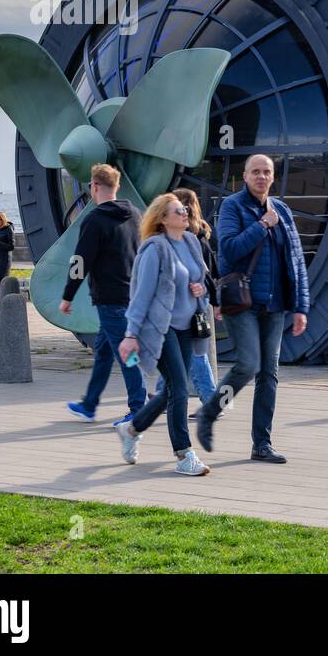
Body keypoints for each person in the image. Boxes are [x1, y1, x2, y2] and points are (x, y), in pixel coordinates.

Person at [195, 154, 310, 464]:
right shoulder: (233, 206)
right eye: (255, 172)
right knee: (248, 364)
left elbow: (296, 261)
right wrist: (261, 225)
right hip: (242, 302)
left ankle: (262, 444)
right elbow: (229, 248)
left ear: (273, 177)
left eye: (267, 172)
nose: (261, 176)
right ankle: (210, 412)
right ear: (244, 176)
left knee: (269, 374)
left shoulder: (282, 210)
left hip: (275, 305)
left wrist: (300, 306)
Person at [113, 194, 212, 476]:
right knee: (180, 387)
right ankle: (184, 455)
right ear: (163, 218)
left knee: (171, 389)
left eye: (185, 209)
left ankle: (131, 429)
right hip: (160, 329)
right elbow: (140, 296)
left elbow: (199, 280)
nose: (185, 213)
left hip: (185, 326)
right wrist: (131, 334)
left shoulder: (191, 242)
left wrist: (199, 289)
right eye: (178, 210)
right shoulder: (154, 249)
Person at [62, 164, 146, 426]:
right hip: (133, 295)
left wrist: (68, 296)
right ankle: (89, 405)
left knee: (126, 354)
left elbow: (80, 262)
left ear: (94, 187)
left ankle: (138, 409)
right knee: (104, 351)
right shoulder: (135, 215)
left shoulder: (95, 220)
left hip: (110, 299)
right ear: (117, 186)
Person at [173, 187, 220, 411]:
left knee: (194, 353)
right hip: (197, 302)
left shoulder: (186, 238)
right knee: (179, 350)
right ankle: (163, 394)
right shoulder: (201, 232)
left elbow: (202, 272)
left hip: (188, 303)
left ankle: (211, 403)